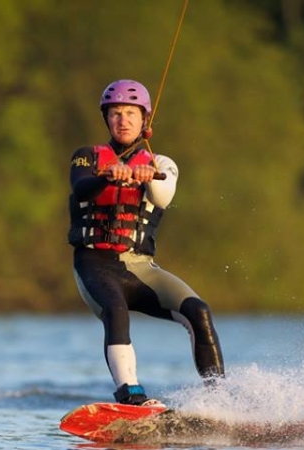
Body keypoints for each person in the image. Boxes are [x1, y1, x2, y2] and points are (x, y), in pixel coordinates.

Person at [67, 79, 225, 406]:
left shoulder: (162, 163)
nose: (122, 120)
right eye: (114, 113)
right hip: (94, 265)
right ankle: (130, 395)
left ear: (144, 121)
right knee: (116, 310)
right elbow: (81, 187)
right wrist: (109, 175)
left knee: (199, 311)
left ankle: (222, 399)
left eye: (129, 113)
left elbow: (163, 195)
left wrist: (146, 176)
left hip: (141, 267)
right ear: (106, 119)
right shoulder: (87, 158)